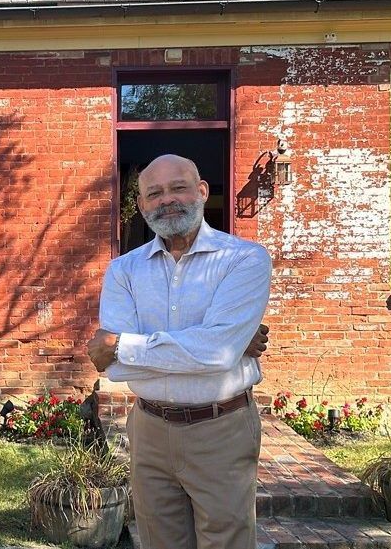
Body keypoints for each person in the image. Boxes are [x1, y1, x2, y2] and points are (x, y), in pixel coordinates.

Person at [88, 154, 271, 549]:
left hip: (221, 428)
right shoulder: (124, 270)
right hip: (150, 428)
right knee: (159, 542)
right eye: (154, 193)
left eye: (178, 188)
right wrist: (206, 345)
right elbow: (118, 372)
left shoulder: (243, 259)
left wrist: (122, 345)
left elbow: (219, 352)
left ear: (201, 191)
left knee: (227, 542)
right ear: (141, 206)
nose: (166, 200)